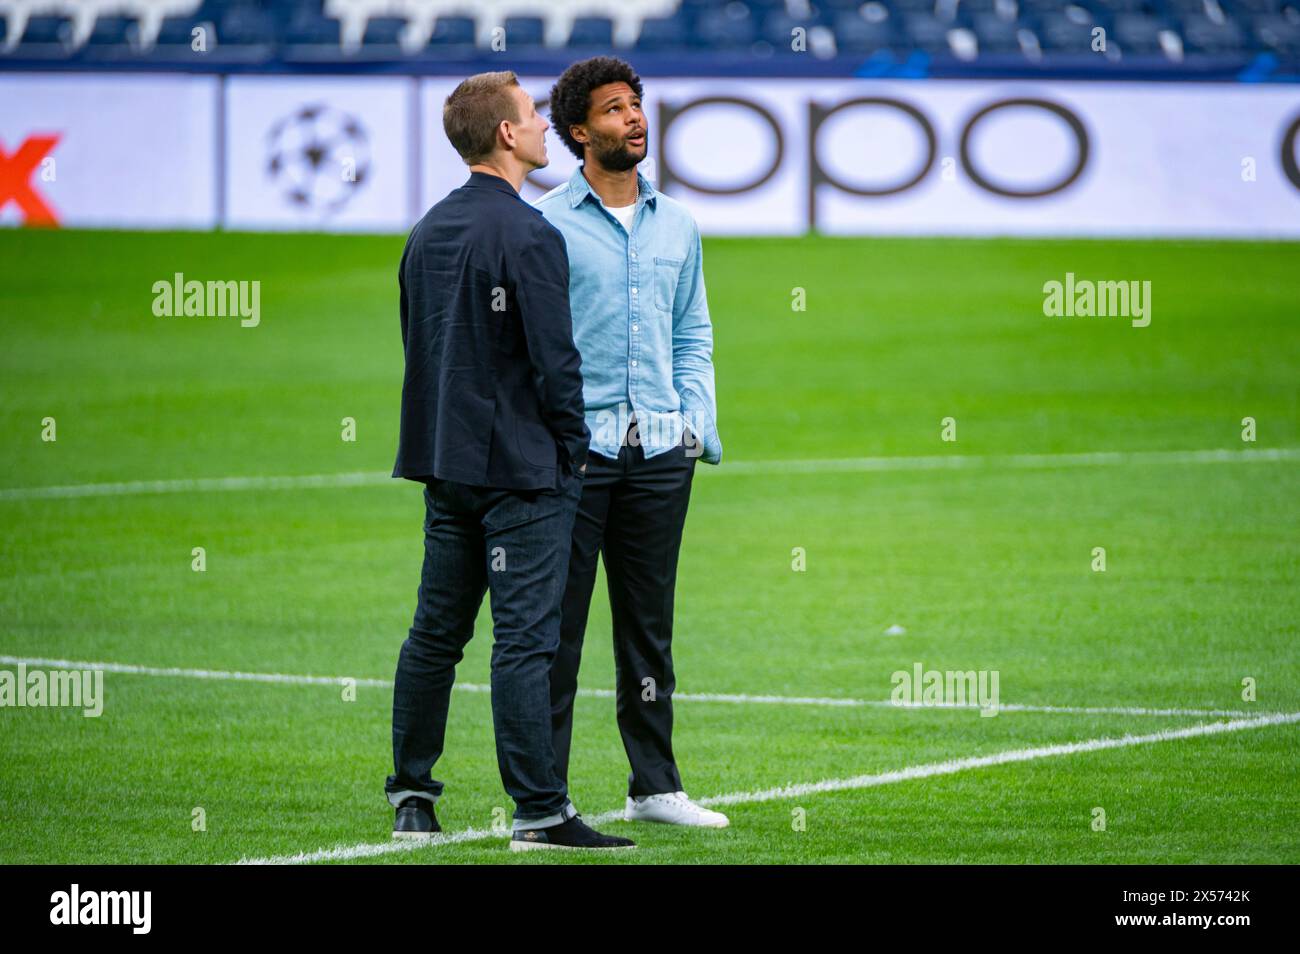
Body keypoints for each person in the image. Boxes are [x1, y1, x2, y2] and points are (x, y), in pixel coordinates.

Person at [385, 70, 634, 851]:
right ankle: (539, 810)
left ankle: (412, 797)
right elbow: (557, 366)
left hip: (446, 466)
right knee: (526, 643)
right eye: (531, 116)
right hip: (522, 472)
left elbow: (424, 347)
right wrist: (572, 451)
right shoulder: (532, 234)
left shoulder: (428, 230)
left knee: (435, 633)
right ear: (505, 135)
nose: (542, 128)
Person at [535, 57, 728, 828]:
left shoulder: (678, 223)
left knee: (649, 627)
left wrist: (692, 426)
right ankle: (543, 798)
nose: (634, 119)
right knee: (557, 629)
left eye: (637, 105)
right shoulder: (545, 223)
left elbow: (694, 333)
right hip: (575, 456)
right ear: (580, 132)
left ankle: (654, 788)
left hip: (659, 454)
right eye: (615, 110)